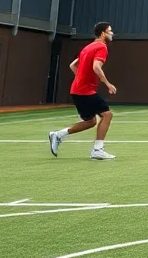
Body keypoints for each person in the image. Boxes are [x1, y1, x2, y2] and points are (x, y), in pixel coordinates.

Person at [49, 22, 117, 160]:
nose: (112, 33)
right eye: (110, 31)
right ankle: (98, 150)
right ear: (103, 33)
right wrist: (108, 84)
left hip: (78, 90)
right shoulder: (101, 47)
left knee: (91, 121)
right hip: (85, 92)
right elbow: (96, 67)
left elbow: (72, 65)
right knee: (107, 115)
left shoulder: (88, 47)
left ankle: (58, 135)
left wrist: (82, 78)